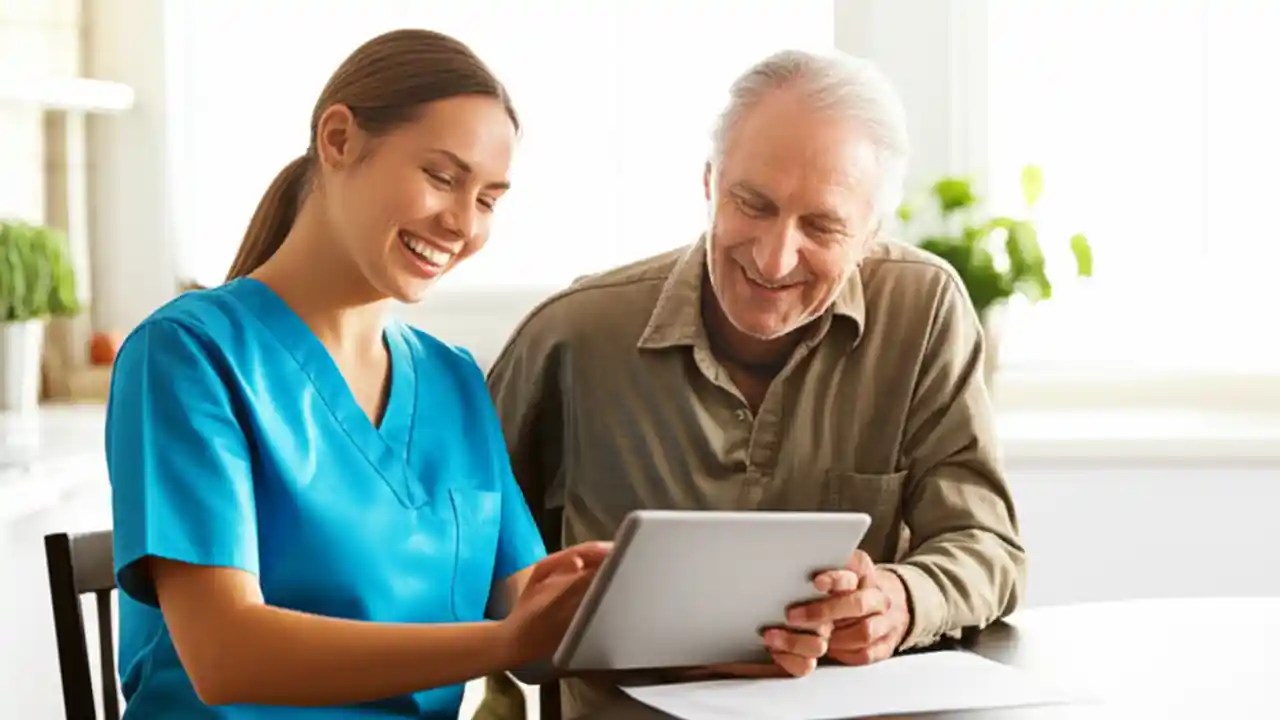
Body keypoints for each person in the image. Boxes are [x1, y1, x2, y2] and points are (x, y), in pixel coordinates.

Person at [483, 48, 1026, 717]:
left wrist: (901, 600)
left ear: (871, 233)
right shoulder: (572, 334)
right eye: (752, 204)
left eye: (822, 226)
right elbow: (470, 583)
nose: (774, 257)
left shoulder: (923, 310)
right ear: (711, 182)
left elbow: (987, 545)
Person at [104, 28, 610, 719]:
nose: (463, 223)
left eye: (489, 199)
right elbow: (224, 655)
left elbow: (532, 636)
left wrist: (732, 636)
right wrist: (500, 641)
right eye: (441, 176)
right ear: (338, 139)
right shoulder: (187, 355)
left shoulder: (453, 381)